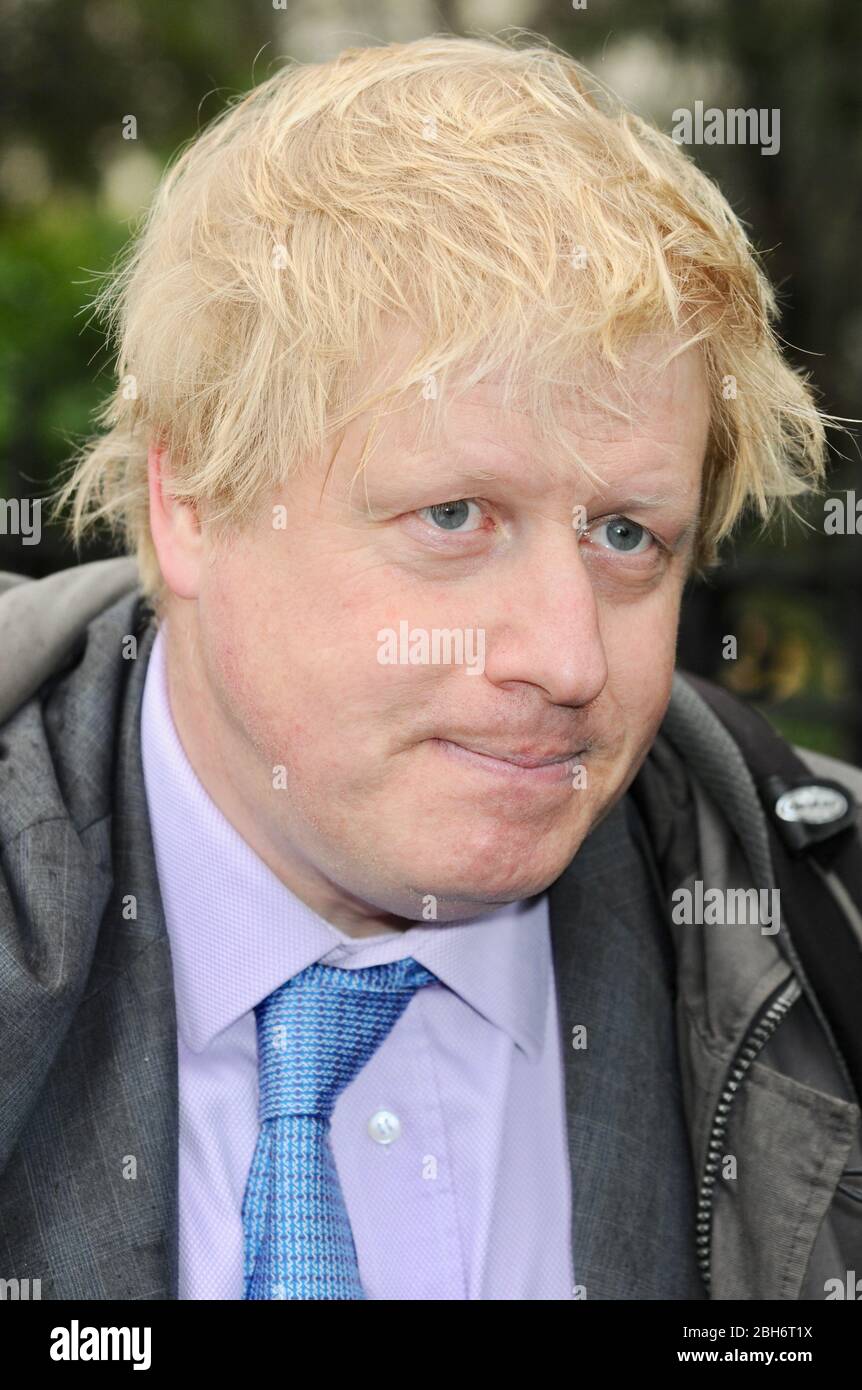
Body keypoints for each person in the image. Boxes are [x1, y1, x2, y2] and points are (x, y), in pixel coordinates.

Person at [0, 33, 859, 1302]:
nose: (567, 657)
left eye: (628, 536)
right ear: (190, 499)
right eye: (454, 516)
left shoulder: (825, 933)